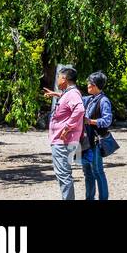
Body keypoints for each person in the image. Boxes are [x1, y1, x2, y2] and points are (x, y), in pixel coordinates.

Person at [44, 67, 86, 199]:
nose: (57, 80)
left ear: (64, 78)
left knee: (63, 174)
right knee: (63, 173)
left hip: (64, 140)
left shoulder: (72, 94)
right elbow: (68, 100)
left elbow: (79, 110)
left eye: (58, 77)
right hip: (64, 140)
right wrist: (55, 94)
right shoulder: (69, 93)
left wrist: (67, 128)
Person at [80, 71, 114, 200]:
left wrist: (90, 121)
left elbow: (107, 120)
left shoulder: (104, 100)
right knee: (87, 172)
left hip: (95, 142)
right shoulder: (89, 99)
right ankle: (89, 198)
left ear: (94, 85)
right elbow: (75, 99)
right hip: (84, 142)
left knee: (98, 172)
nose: (87, 84)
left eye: (89, 82)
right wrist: (59, 95)